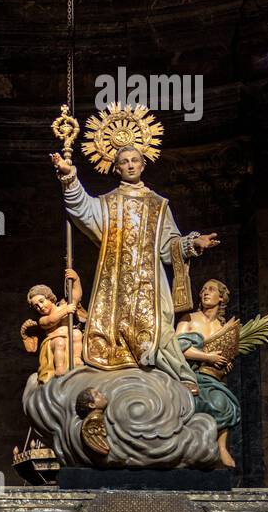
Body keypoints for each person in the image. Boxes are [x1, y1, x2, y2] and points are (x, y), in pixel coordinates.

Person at [49, 142, 218, 388]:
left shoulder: (158, 205)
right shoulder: (108, 203)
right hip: (115, 280)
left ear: (143, 164)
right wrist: (69, 177)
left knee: (158, 331)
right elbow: (82, 209)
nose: (130, 165)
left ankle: (176, 375)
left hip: (151, 282)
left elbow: (168, 247)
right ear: (116, 169)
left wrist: (192, 243)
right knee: (115, 329)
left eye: (134, 160)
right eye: (124, 161)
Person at [176, 278, 241, 467]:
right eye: (203, 289)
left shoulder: (222, 328)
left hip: (212, 377)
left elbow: (223, 354)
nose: (205, 292)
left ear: (221, 298)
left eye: (211, 290)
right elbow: (177, 347)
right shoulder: (190, 319)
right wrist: (208, 357)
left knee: (225, 402)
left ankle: (221, 447)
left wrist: (224, 364)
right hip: (187, 373)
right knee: (213, 400)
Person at [21, 268, 85, 380]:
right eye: (36, 306)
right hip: (53, 343)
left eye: (41, 301)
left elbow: (76, 296)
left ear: (49, 298)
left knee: (77, 334)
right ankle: (59, 367)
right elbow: (51, 320)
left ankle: (76, 358)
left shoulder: (64, 305)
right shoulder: (42, 319)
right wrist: (66, 311)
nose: (40, 306)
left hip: (69, 339)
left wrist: (76, 279)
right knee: (59, 342)